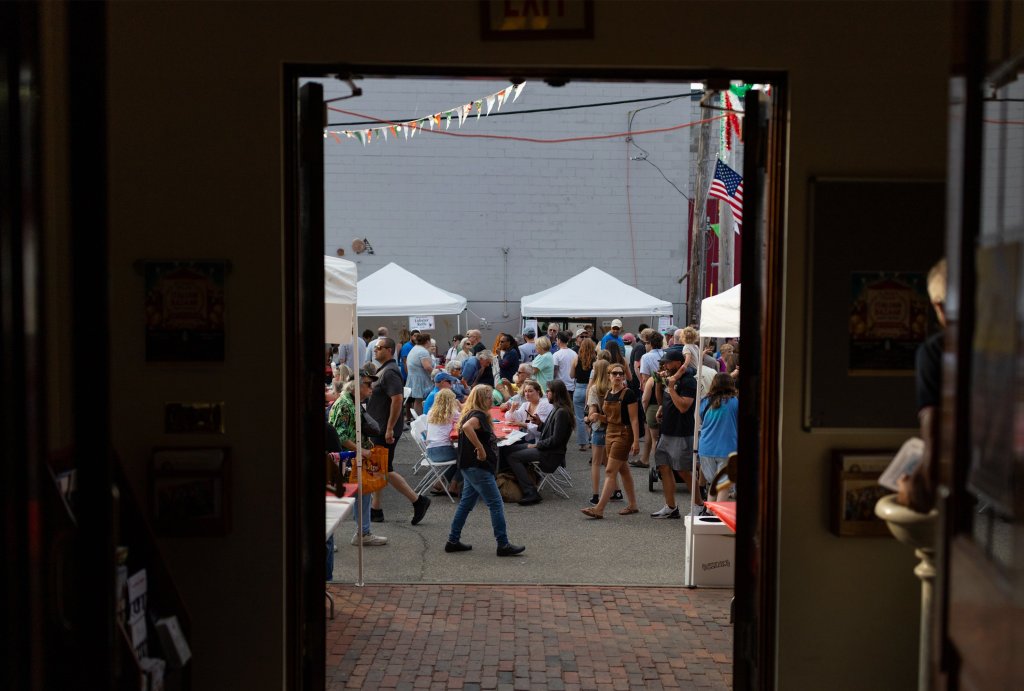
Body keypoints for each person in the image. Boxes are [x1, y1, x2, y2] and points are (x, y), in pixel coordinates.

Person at [444, 384, 526, 557]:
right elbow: (467, 427)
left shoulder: (472, 413)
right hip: (478, 467)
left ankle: (453, 540)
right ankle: (502, 544)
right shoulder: (478, 416)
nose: (492, 400)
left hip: (469, 466)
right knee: (496, 504)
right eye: (489, 397)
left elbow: (470, 429)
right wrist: (480, 448)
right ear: (482, 399)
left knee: (466, 503)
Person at [365, 338, 432, 525]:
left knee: (385, 469)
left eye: (378, 348)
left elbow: (397, 399)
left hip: (383, 429)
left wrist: (389, 428)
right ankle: (376, 509)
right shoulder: (383, 370)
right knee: (380, 468)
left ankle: (418, 501)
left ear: (389, 350)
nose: (375, 351)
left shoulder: (390, 372)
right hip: (378, 427)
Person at [897, 258, 945, 513]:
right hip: (1009, 493)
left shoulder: (937, 352)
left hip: (979, 499)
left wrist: (911, 488)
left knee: (984, 550)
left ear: (940, 307)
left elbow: (929, 478)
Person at [328, 373, 387, 546]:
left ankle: (363, 532)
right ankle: (335, 537)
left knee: (363, 494)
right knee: (341, 498)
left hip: (351, 459)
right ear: (356, 386)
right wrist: (362, 451)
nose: (371, 388)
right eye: (368, 384)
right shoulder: (346, 404)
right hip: (347, 460)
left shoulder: (351, 401)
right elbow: (341, 436)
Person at [581, 362, 640, 518]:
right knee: (623, 469)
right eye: (615, 373)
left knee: (609, 470)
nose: (618, 376)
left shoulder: (628, 394)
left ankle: (599, 508)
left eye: (621, 373)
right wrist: (597, 416)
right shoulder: (608, 393)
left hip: (623, 434)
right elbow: (609, 418)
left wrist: (635, 441)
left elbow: (634, 420)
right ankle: (633, 504)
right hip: (610, 432)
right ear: (609, 376)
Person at [505, 380, 575, 506]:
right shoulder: (557, 409)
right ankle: (515, 482)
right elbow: (551, 432)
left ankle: (530, 491)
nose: (546, 394)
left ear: (556, 393)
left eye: (548, 391)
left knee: (513, 457)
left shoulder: (562, 412)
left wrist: (537, 445)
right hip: (546, 448)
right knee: (507, 449)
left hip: (550, 453)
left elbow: (556, 440)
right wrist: (540, 424)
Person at [650, 351, 698, 519]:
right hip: (666, 431)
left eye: (668, 363)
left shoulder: (688, 381)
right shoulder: (671, 378)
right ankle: (670, 507)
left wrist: (670, 387)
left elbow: (684, 406)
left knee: (683, 470)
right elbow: (661, 400)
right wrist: (659, 384)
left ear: (678, 363)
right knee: (663, 467)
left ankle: (699, 506)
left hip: (681, 432)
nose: (665, 366)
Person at [698, 373, 740, 501]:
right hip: (727, 449)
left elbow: (700, 422)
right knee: (723, 486)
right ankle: (717, 516)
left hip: (705, 448)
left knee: (715, 483)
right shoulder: (734, 402)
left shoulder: (704, 401)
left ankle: (710, 512)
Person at [586, 359, 619, 504]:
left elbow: (592, 411)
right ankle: (616, 490)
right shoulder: (615, 387)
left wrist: (589, 418)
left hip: (599, 427)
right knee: (609, 462)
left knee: (596, 462)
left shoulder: (595, 389)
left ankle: (595, 494)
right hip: (614, 427)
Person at [424, 387, 462, 496]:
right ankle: (453, 485)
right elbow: (464, 419)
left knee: (457, 458)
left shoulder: (431, 412)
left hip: (430, 451)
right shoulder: (452, 412)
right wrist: (460, 406)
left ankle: (440, 482)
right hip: (443, 450)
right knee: (466, 458)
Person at [571, 337, 596, 451]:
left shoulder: (577, 358)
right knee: (593, 416)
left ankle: (582, 443)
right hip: (591, 389)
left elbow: (571, 375)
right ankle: (592, 440)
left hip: (579, 389)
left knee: (580, 418)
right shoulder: (596, 360)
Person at [405, 332, 434, 418]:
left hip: (414, 377)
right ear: (428, 341)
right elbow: (427, 367)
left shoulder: (415, 348)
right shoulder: (422, 351)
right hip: (420, 378)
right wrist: (436, 373)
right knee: (420, 400)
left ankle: (419, 418)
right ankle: (421, 419)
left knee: (418, 400)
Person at [552, 329, 577, 405]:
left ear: (559, 340)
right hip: (572, 387)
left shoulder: (556, 354)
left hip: (560, 387)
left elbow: (554, 372)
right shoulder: (574, 353)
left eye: (556, 339)